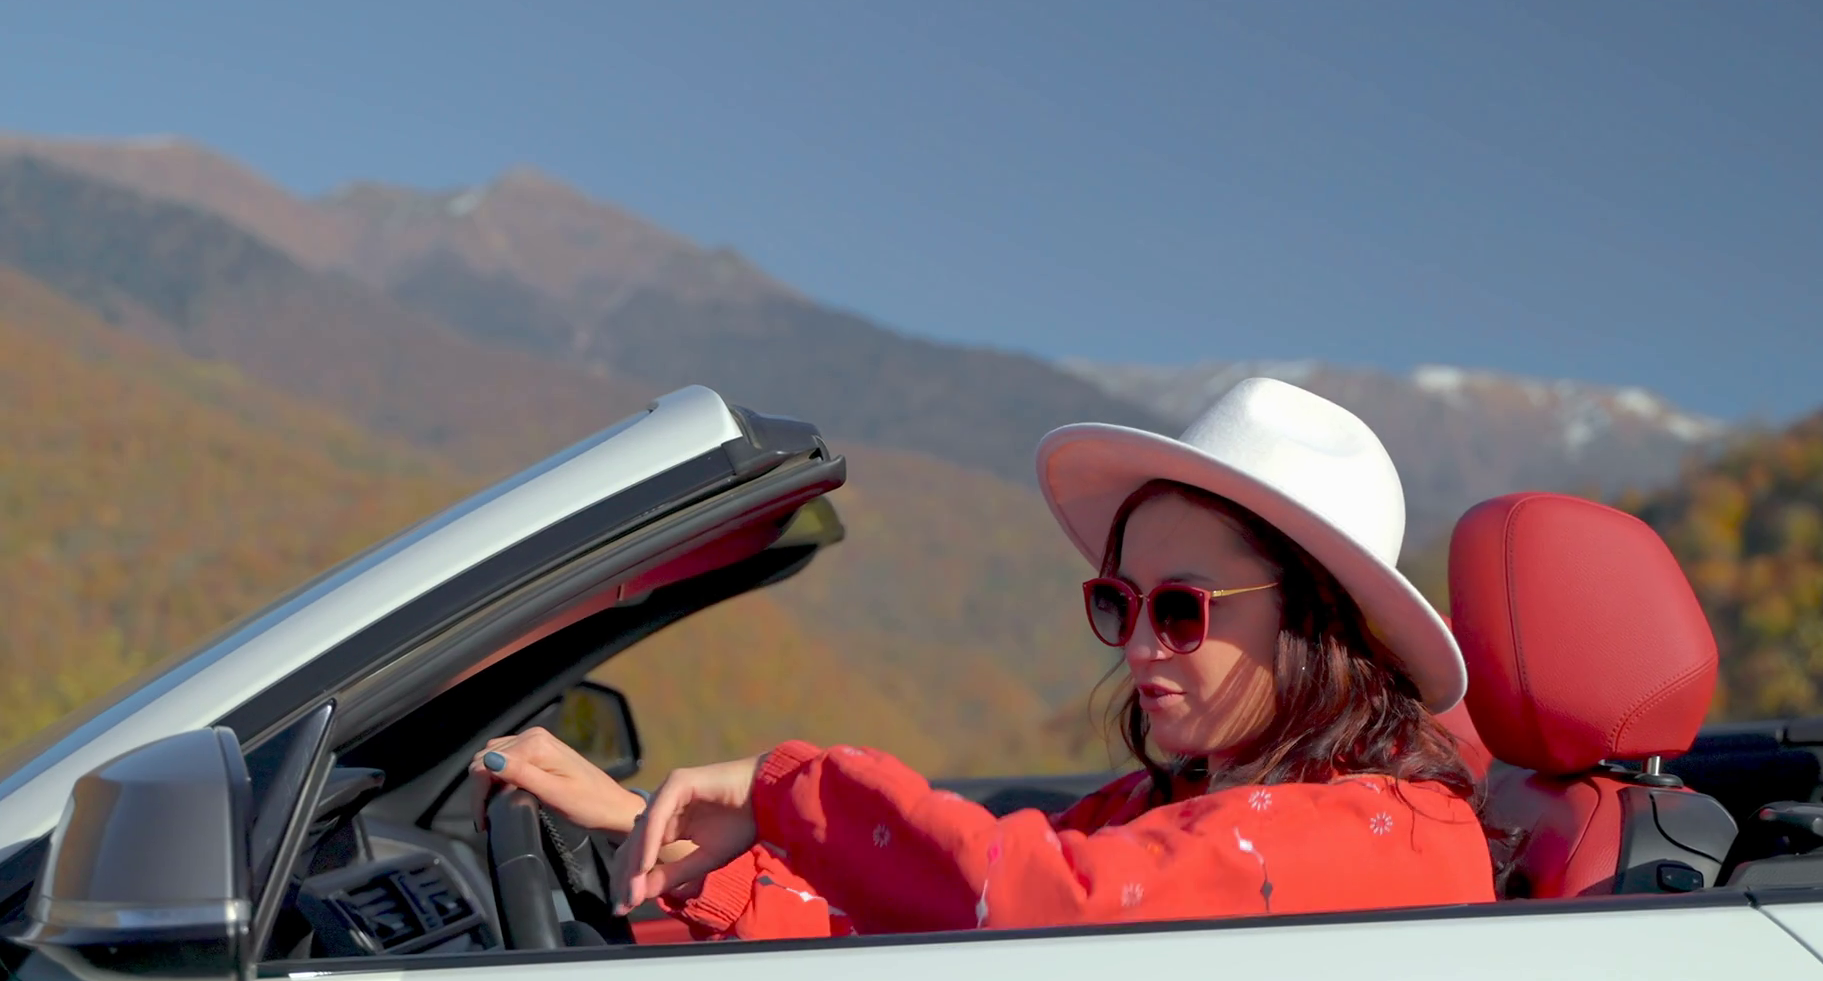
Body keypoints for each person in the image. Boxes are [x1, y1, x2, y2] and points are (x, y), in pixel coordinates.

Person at [471, 377, 1498, 939]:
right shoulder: (1160, 811)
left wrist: (792, 787)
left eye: (1183, 611)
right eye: (1119, 601)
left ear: (1319, 625)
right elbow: (929, 923)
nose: (1139, 643)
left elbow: (1033, 902)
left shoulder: (1392, 833)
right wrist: (658, 839)